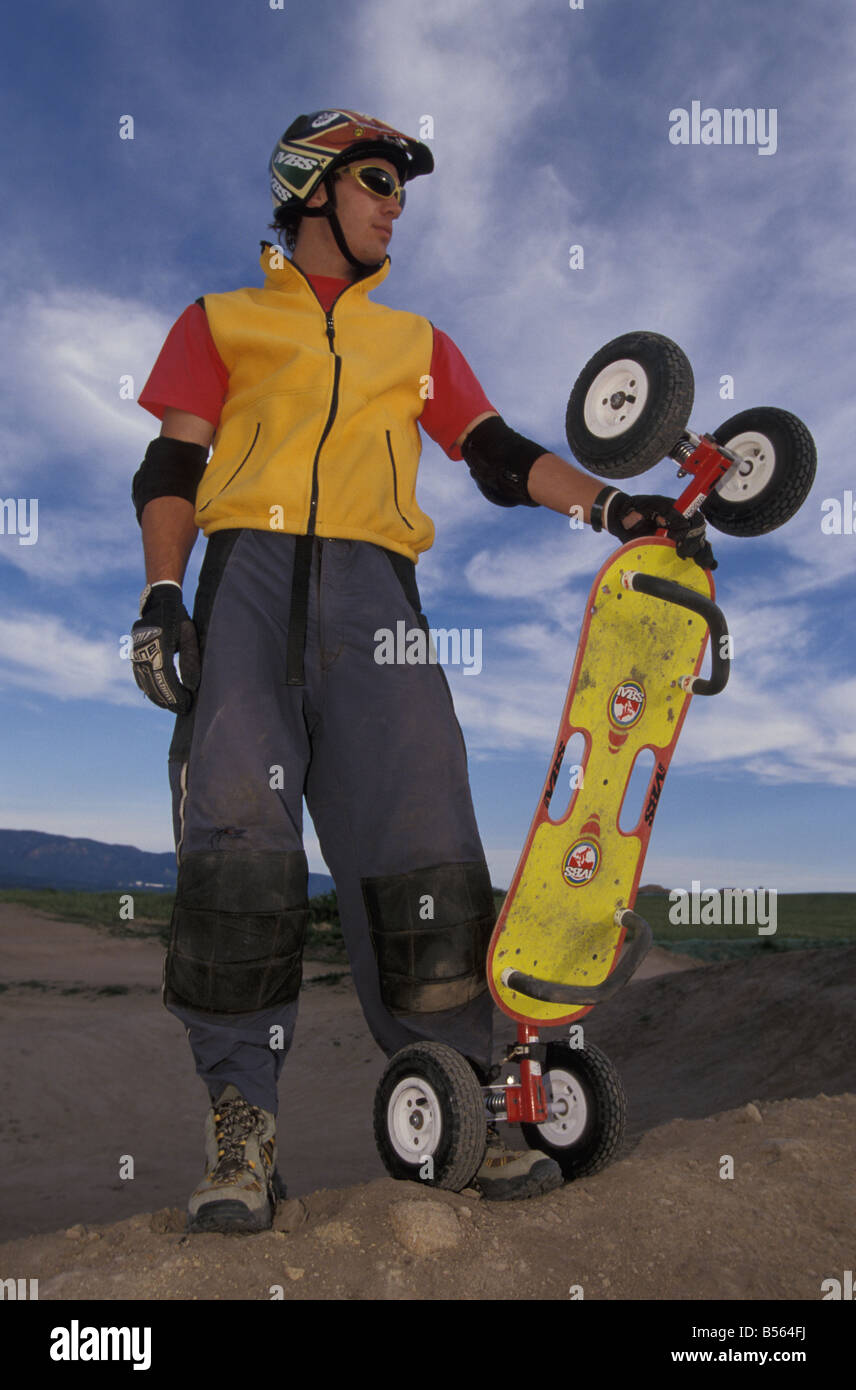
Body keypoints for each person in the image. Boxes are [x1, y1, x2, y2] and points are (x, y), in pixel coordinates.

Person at [131, 109, 714, 1233]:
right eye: (376, 178)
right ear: (311, 187)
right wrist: (163, 594)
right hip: (245, 580)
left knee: (424, 844)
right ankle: (240, 1129)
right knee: (238, 849)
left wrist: (607, 505)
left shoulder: (417, 342)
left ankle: (465, 1102)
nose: (395, 201)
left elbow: (494, 455)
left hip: (376, 599)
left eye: (400, 185)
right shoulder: (220, 320)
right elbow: (171, 458)